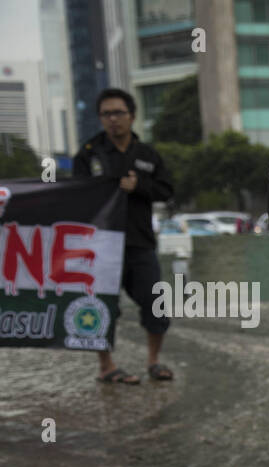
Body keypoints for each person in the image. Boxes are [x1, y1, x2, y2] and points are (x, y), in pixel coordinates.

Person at [74, 88, 175, 385]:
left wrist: (139, 186)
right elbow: (75, 195)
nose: (112, 119)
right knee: (103, 307)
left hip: (140, 243)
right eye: (106, 114)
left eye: (118, 113)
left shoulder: (148, 155)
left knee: (155, 303)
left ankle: (154, 362)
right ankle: (106, 366)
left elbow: (166, 191)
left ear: (132, 116)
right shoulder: (88, 153)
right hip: (100, 247)